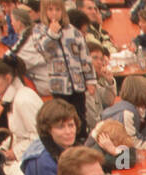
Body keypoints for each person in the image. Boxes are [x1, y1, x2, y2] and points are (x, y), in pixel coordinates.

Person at [17, 0, 98, 133]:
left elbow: (85, 58)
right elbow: (43, 51)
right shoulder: (39, 30)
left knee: (80, 118)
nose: (54, 13)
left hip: (77, 84)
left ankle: (81, 141)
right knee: (63, 118)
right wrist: (52, 34)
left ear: (63, 11)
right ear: (44, 11)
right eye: (50, 10)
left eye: (58, 10)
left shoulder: (73, 31)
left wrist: (90, 80)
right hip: (58, 86)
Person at [20, 99, 82, 175]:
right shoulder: (42, 162)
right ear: (48, 130)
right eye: (60, 127)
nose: (68, 131)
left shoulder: (72, 148)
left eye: (71, 125)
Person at [0, 58, 43, 165]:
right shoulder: (13, 97)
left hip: (33, 159)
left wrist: (14, 153)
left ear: (8, 78)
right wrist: (3, 149)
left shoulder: (23, 101)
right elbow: (18, 134)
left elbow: (40, 138)